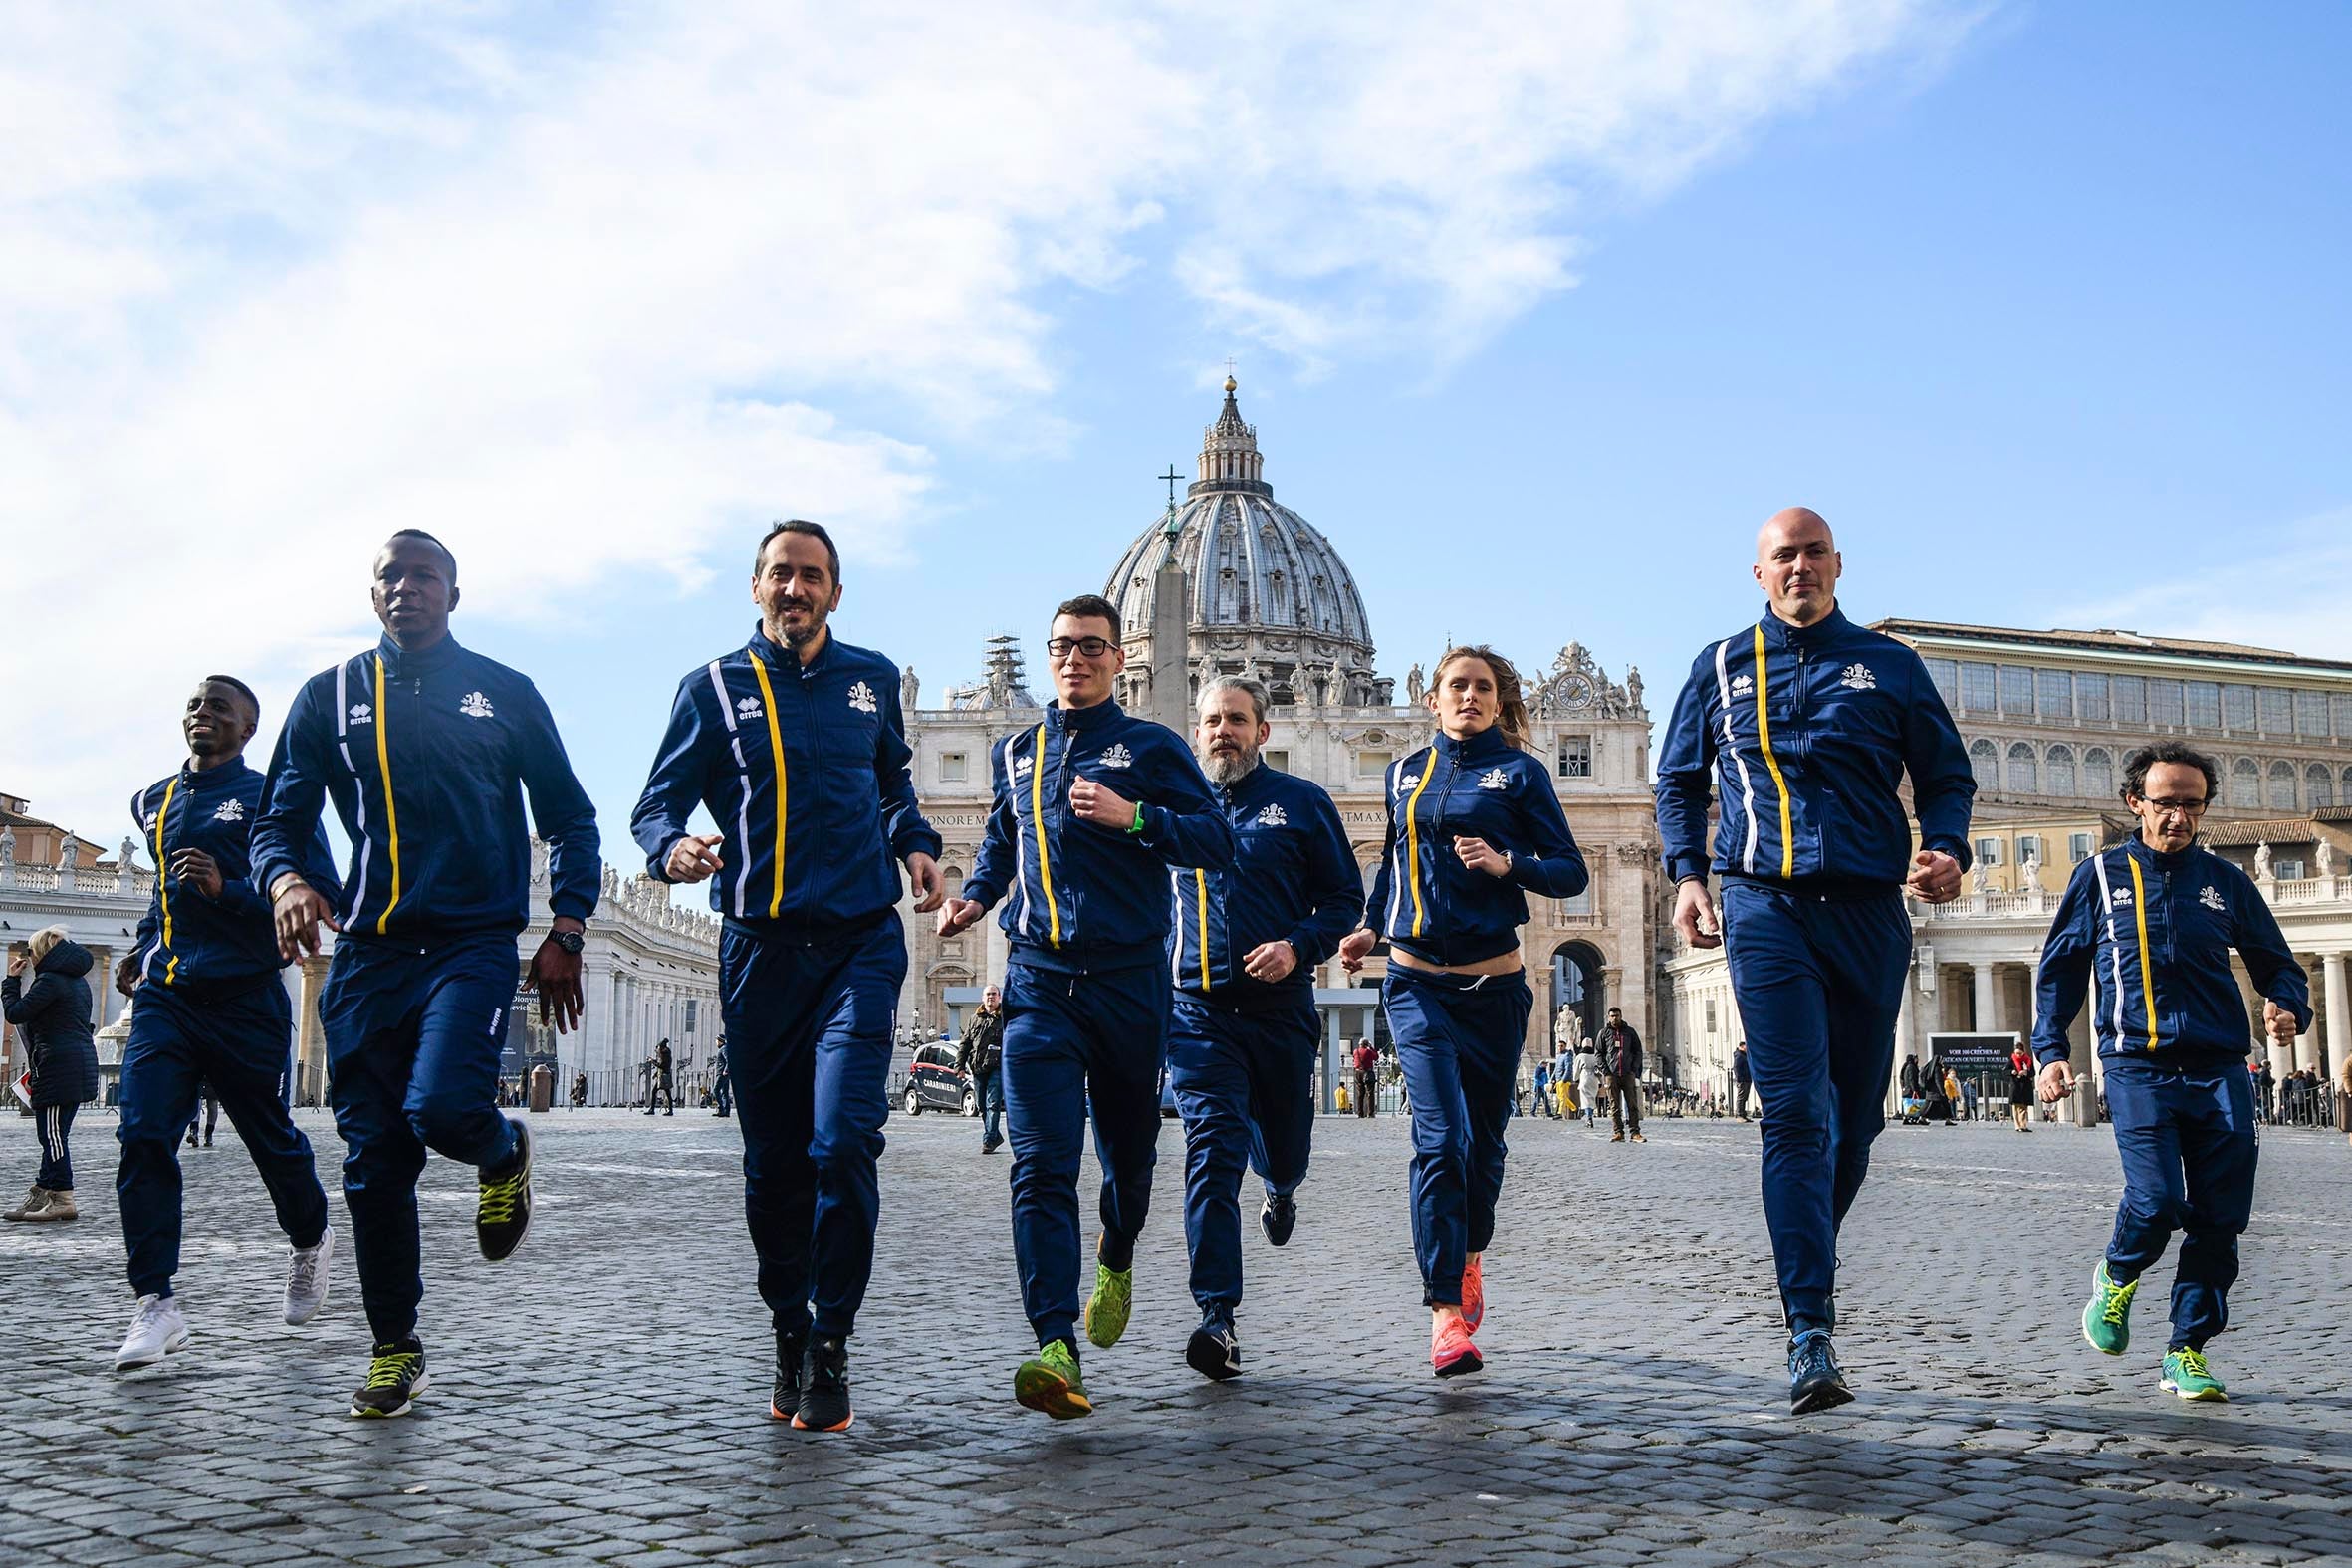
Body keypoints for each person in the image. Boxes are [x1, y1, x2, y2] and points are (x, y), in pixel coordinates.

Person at [252, 529, 599, 1419]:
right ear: (372, 592)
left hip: (470, 945)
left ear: (454, 591)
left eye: (425, 575)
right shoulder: (326, 698)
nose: (407, 588)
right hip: (368, 953)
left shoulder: (505, 692)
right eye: (390, 575)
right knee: (373, 1165)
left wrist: (566, 923)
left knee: (442, 1105)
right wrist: (288, 878)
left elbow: (570, 814)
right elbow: (278, 820)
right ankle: (394, 1346)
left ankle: (500, 1146)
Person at [1654, 507, 1976, 1414]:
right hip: (1765, 904)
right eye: (1781, 555)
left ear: (1839, 564)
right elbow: (1677, 783)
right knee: (1794, 1113)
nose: (1799, 566)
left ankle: (1805, 1248)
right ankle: (1810, 1325)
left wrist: (1946, 843)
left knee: (1856, 1123)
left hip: (1870, 908)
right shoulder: (1717, 665)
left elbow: (1947, 774)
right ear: (1758, 574)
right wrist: (1687, 875)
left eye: (1813, 552)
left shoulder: (1892, 666)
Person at [631, 518, 943, 1433]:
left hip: (857, 943)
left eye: (812, 576)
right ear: (756, 587)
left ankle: (834, 1336)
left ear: (835, 592)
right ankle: (787, 1327)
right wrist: (673, 847)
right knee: (772, 1167)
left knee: (843, 1143)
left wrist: (918, 846)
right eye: (780, 575)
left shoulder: (871, 680)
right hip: (759, 950)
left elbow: (895, 788)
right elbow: (654, 805)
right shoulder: (711, 688)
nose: (795, 589)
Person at [936, 594, 1234, 1419]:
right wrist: (976, 898)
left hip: (1129, 983)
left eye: (1092, 647)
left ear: (1118, 659)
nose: (1075, 660)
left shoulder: (1153, 747)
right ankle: (1055, 1342)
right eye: (1062, 647)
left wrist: (1136, 817)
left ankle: (1119, 1249)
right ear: (1051, 653)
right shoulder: (1018, 751)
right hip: (1038, 984)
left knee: (1129, 1163)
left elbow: (1215, 841)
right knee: (1039, 1164)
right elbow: (1002, 842)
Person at [1338, 645, 1587, 1377]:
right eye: (1456, 685)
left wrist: (1511, 865)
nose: (1468, 696)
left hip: (1494, 987)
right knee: (1439, 1139)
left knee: (1484, 1146)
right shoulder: (1402, 772)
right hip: (1416, 984)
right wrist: (1370, 926)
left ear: (1497, 697)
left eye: (1482, 686)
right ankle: (1445, 1312)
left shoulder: (1521, 772)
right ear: (1434, 698)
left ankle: (1470, 1250)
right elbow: (1392, 865)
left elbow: (1569, 866)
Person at [2035, 742, 2307, 1403]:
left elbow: (2280, 964)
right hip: (2137, 1066)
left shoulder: (2227, 883)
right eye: (2165, 803)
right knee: (2156, 1199)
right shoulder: (2099, 876)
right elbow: (2063, 966)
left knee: (2221, 1218)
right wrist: (2050, 1051)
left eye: (2191, 803)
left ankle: (2186, 1349)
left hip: (2220, 1068)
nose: (2178, 816)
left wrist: (2286, 1006)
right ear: (2137, 803)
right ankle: (2118, 1273)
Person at [110, 675, 340, 1373]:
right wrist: (142, 945)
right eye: (193, 703)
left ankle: (311, 1235)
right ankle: (156, 1301)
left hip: (244, 997)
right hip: (169, 998)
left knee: (268, 1138)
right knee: (144, 1133)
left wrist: (229, 889)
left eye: (219, 706)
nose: (200, 713)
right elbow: (164, 890)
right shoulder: (155, 798)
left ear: (248, 727)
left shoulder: (276, 796)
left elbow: (323, 892)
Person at [1165, 676, 1361, 1382]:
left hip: (1280, 1014)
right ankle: (1217, 1315)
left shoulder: (1302, 803)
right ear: (1197, 730)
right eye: (1212, 719)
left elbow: (1345, 898)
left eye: (1236, 719)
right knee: (1210, 1155)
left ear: (1262, 730)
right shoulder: (1172, 809)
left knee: (1284, 1146)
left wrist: (1298, 946)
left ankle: (1280, 1185)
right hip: (1198, 1017)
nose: (1223, 730)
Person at [3, 927, 99, 1224]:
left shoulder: (50, 981)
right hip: (72, 1062)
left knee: (53, 1136)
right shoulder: (78, 981)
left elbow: (16, 1013)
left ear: (41, 952)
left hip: (59, 1065)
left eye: (31, 952)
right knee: (54, 1135)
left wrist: (11, 981)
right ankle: (43, 1192)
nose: (30, 958)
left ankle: (63, 1197)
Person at [957, 987, 1007, 1152]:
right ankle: (994, 1135)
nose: (990, 997)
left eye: (994, 994)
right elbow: (965, 1043)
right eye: (988, 994)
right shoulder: (974, 1019)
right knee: (981, 1105)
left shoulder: (1005, 1019)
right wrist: (960, 1066)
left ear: (999, 997)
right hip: (978, 1068)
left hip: (998, 1067)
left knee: (992, 1103)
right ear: (982, 997)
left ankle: (988, 1141)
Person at [1599, 1006, 1645, 1143]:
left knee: (1632, 1104)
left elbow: (1638, 1051)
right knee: (1614, 1105)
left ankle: (1635, 1132)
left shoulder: (1630, 1032)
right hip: (1611, 1074)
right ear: (1608, 1017)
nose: (1615, 1018)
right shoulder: (1604, 1033)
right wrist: (1605, 1071)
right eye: (1612, 1016)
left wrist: (1634, 1070)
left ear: (1621, 1016)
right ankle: (1618, 1132)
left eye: (1617, 1016)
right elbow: (1599, 1053)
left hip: (1627, 1073)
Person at [1574, 1039, 1602, 1129]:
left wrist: (1575, 1078)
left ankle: (1589, 1117)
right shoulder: (1595, 1056)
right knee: (1591, 1099)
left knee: (1586, 1100)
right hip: (1594, 1079)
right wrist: (1602, 1082)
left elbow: (1576, 1070)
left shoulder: (1580, 1057)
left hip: (1585, 1077)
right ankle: (1588, 1115)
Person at [647, 1037, 676, 1116]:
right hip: (663, 1076)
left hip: (664, 1077)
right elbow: (661, 1065)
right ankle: (654, 1109)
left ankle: (653, 1109)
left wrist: (652, 1061)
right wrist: (656, 1074)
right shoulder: (665, 1056)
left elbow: (661, 1066)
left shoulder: (665, 1056)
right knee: (666, 1093)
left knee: (660, 1092)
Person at [1352, 1038, 1379, 1120]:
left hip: (1357, 1073)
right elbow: (1376, 1057)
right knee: (1370, 1093)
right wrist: (1371, 1048)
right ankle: (1370, 1113)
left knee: (1360, 1094)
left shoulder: (1355, 1051)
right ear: (1366, 1044)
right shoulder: (1368, 1051)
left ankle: (1360, 1113)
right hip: (1367, 1073)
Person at [2008, 1044, 2034, 1132]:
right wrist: (2012, 1072)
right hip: (2016, 1086)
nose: (2018, 1055)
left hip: (2025, 1087)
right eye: (2016, 1053)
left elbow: (2033, 1072)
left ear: (2023, 1052)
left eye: (2020, 1053)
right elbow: (2005, 1071)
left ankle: (2023, 1125)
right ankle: (2017, 1126)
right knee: (2016, 1107)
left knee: (2024, 1107)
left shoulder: (2028, 1060)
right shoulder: (2012, 1060)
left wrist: (2027, 1073)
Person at [1732, 1041, 1754, 1121]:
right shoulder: (1739, 1056)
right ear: (1742, 1046)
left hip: (1747, 1079)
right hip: (1742, 1080)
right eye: (1745, 1046)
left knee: (1744, 1098)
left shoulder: (1744, 1055)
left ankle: (1743, 1114)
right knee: (1741, 1097)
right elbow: (1736, 1068)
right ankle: (1739, 1115)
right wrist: (1739, 1079)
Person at [711, 1039, 732, 1119]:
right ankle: (726, 1111)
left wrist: (726, 1070)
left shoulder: (723, 1048)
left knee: (715, 1090)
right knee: (724, 1093)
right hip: (724, 1073)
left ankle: (721, 1109)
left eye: (716, 1041)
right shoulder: (725, 1048)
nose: (716, 1042)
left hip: (722, 1074)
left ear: (720, 1041)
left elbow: (728, 1060)